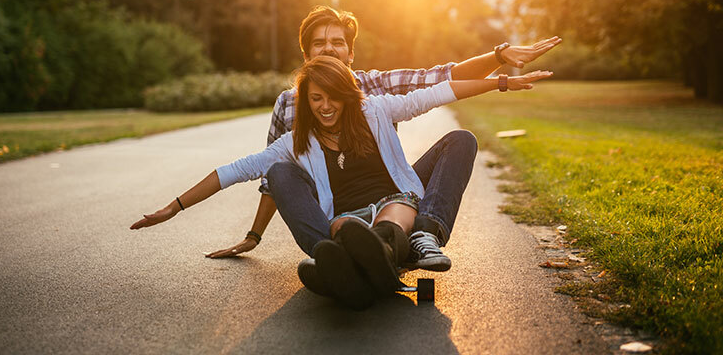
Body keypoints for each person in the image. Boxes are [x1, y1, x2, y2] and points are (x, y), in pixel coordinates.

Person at [131, 55, 553, 309]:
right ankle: (343, 262)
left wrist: (499, 81)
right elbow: (233, 171)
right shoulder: (295, 144)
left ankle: (414, 242)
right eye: (315, 99)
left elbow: (438, 92)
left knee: (459, 141)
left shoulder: (378, 111)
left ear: (347, 93)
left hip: (396, 207)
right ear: (307, 101)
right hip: (346, 222)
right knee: (281, 177)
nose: (326, 106)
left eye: (333, 96)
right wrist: (174, 207)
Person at [206, 6, 561, 276]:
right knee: (290, 177)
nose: (328, 49)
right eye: (319, 43)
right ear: (306, 56)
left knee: (459, 140)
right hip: (337, 215)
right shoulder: (289, 103)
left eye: (337, 42)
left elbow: (442, 80)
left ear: (350, 53)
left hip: (395, 199)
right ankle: (338, 254)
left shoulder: (375, 87)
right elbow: (274, 176)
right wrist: (254, 235)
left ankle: (422, 236)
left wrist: (498, 58)